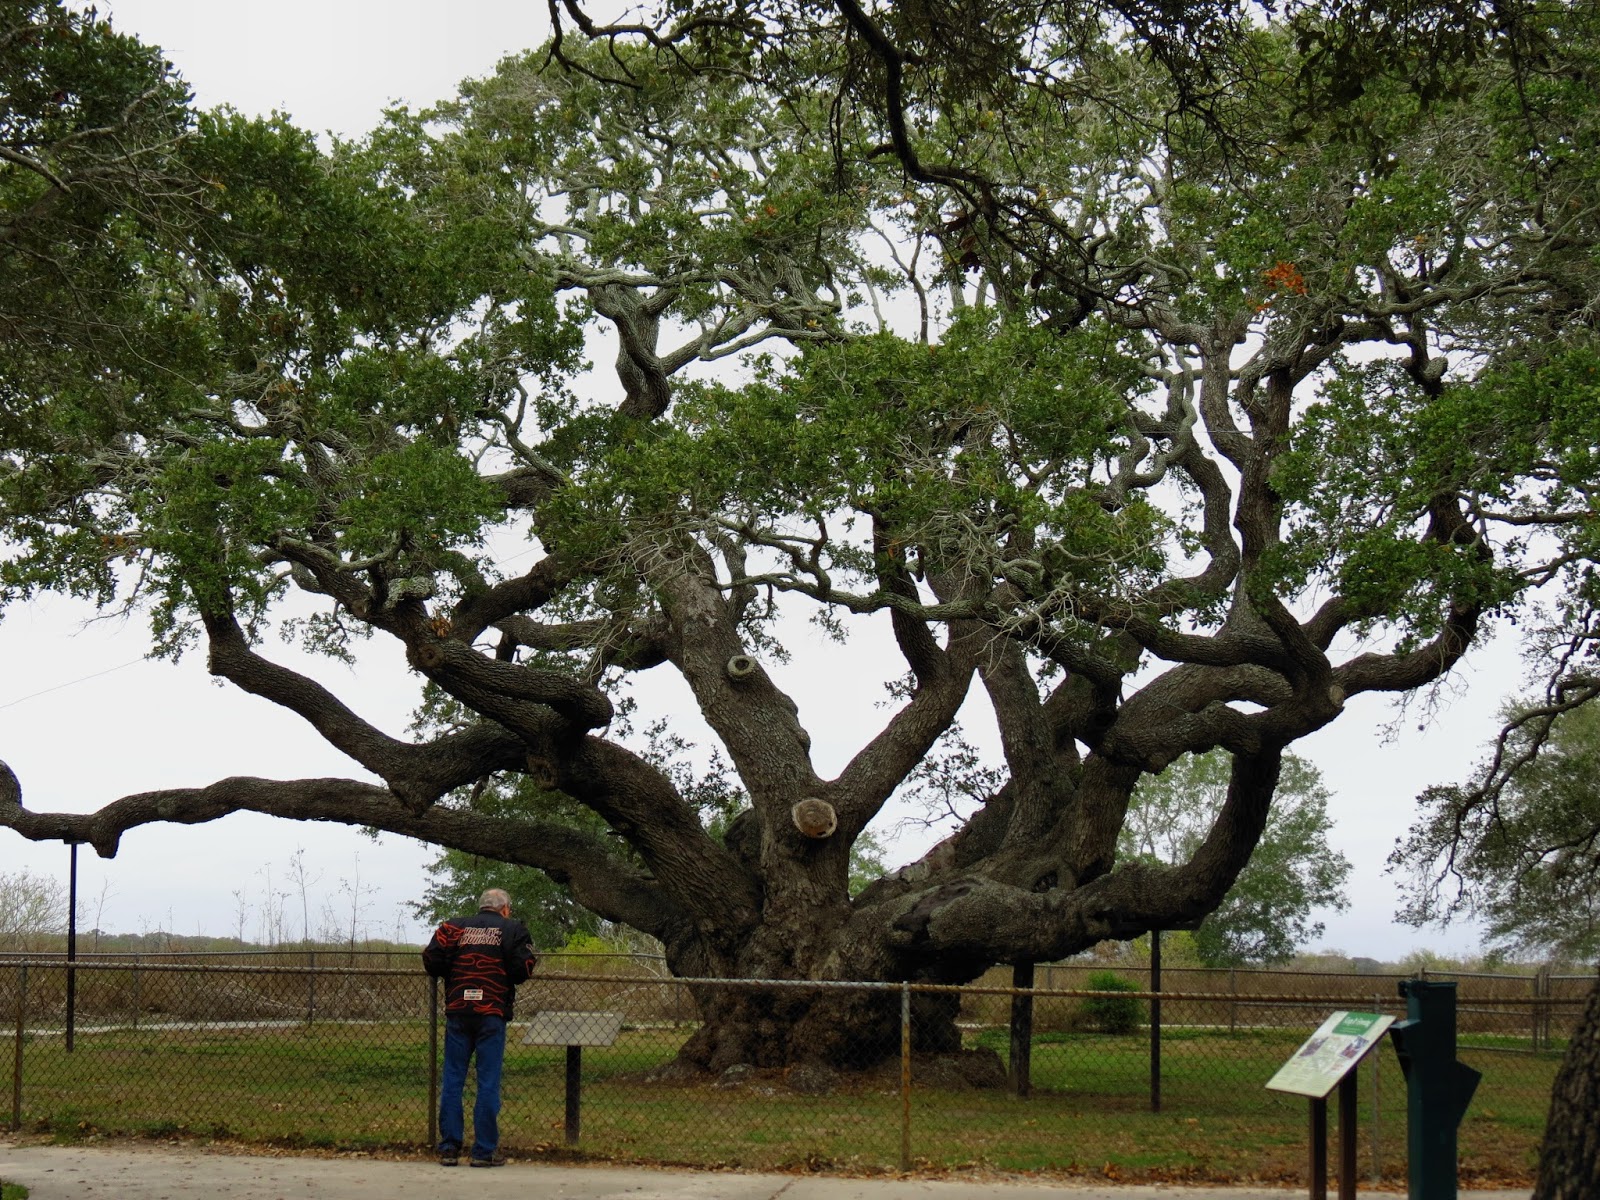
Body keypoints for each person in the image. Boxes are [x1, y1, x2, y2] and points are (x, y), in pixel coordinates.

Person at [422, 887, 538, 1167]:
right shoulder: (513, 929)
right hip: (492, 1013)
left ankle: (449, 1148)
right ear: (505, 909)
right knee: (487, 1081)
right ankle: (484, 1152)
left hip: (458, 1011)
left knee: (453, 1078)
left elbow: (431, 959)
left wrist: (454, 968)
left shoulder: (453, 927)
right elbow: (524, 969)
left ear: (482, 906)